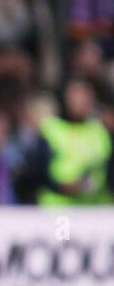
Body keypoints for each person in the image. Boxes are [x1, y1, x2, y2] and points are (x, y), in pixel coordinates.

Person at [21, 76, 113, 205]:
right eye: (75, 93)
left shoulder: (101, 131)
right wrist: (62, 187)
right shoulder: (50, 129)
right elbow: (37, 174)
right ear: (65, 96)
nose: (80, 99)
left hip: (94, 211)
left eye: (85, 93)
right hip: (58, 212)